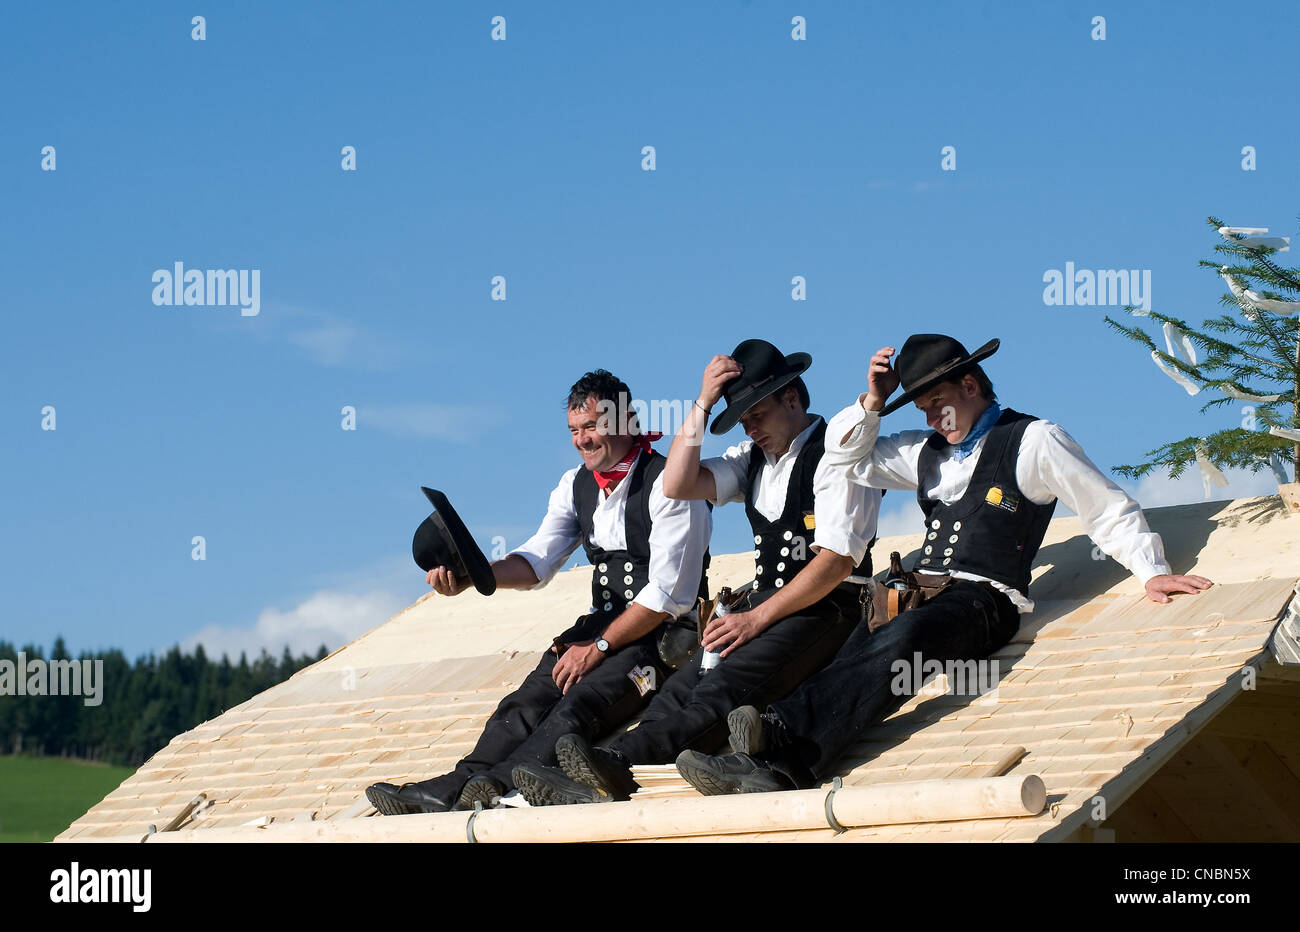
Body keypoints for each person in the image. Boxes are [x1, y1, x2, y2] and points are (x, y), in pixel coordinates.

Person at [675, 333, 1214, 795]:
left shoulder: (1032, 441)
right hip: (910, 594)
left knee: (902, 641)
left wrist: (1150, 569)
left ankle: (776, 727)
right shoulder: (921, 450)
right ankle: (778, 768)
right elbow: (843, 458)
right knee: (855, 658)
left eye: (939, 402)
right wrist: (872, 402)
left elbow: (1106, 506)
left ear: (972, 386)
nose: (933, 417)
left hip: (984, 600)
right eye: (923, 408)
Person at [512, 339, 882, 805]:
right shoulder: (750, 459)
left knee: (723, 687)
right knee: (679, 688)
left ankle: (618, 766)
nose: (749, 428)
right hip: (765, 609)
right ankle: (600, 765)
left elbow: (836, 563)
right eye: (741, 419)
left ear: (792, 398)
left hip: (829, 608)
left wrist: (754, 619)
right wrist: (702, 404)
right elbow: (678, 482)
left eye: (757, 414)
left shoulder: (837, 455)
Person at [365, 370, 711, 814]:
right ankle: (454, 785)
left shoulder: (671, 484)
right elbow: (535, 562)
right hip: (597, 632)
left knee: (579, 707)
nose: (582, 440)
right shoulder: (575, 485)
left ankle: (498, 787)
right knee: (523, 704)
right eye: (574, 430)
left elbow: (669, 595)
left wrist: (600, 647)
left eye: (592, 428)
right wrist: (474, 576)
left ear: (626, 423)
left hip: (658, 640)